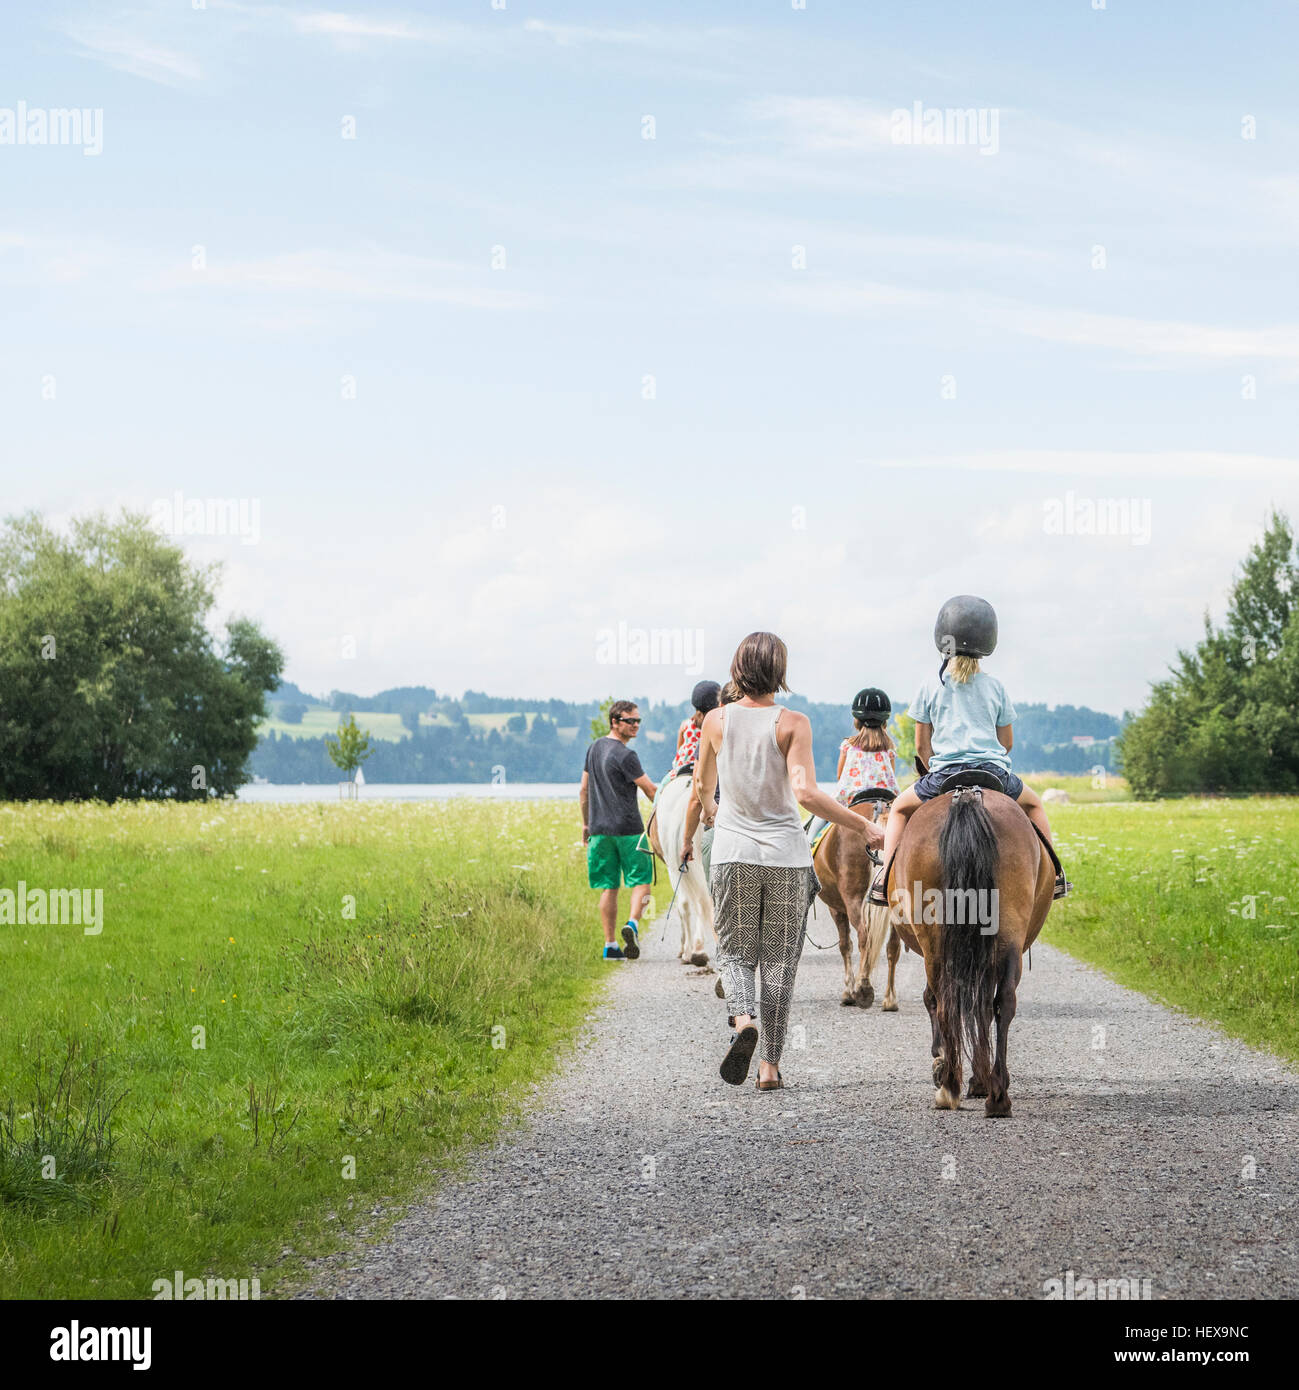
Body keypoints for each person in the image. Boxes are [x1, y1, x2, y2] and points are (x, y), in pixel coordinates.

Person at [695, 634, 884, 1091]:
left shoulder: (716, 721)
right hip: (785, 856)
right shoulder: (793, 722)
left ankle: (744, 1023)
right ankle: (770, 1068)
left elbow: (703, 784)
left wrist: (716, 813)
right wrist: (862, 827)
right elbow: (806, 793)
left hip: (733, 855)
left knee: (736, 954)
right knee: (779, 965)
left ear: (738, 668)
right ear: (780, 671)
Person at [867, 596, 1069, 906]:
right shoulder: (996, 686)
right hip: (992, 773)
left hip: (944, 774)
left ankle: (884, 877)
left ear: (941, 640)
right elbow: (1007, 743)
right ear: (988, 642)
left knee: (899, 810)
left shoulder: (930, 686)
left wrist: (934, 766)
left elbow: (922, 745)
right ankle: (1056, 874)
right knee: (1035, 805)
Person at [580, 700, 658, 960]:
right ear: (615, 722)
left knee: (609, 887)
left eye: (638, 721)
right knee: (642, 882)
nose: (635, 725)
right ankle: (633, 924)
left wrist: (586, 824)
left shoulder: (594, 749)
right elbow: (650, 790)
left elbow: (583, 790)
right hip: (629, 831)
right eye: (630, 721)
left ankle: (610, 945)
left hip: (599, 831)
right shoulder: (626, 755)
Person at [805, 687, 899, 843]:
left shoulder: (848, 745)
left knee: (821, 814)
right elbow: (892, 775)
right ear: (885, 721)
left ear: (857, 720)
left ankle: (810, 843)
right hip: (885, 799)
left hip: (851, 797)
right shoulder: (889, 748)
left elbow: (839, 775)